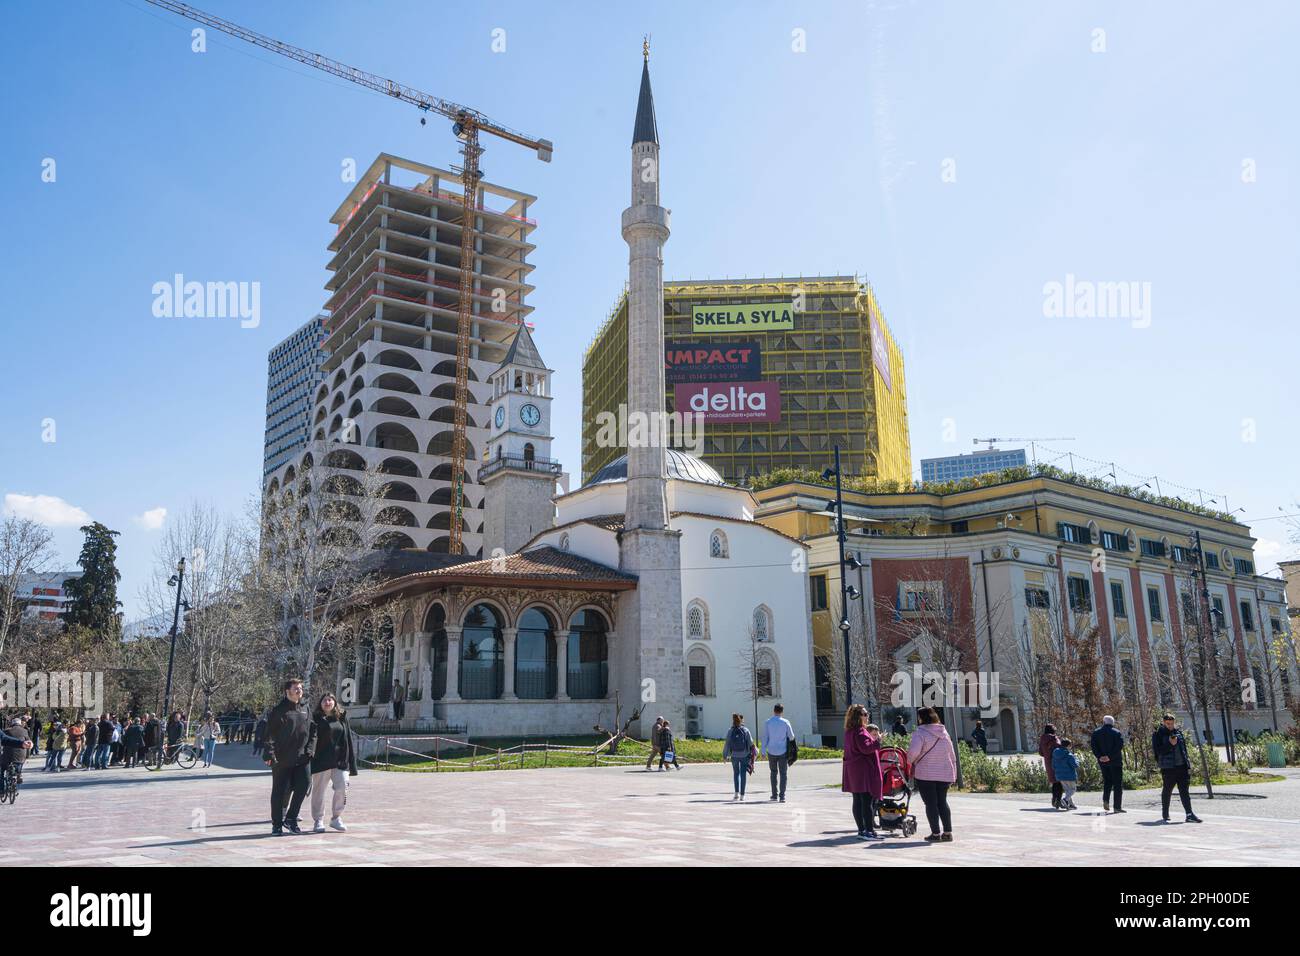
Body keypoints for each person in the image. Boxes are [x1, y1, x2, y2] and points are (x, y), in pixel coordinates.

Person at [264, 677, 317, 836]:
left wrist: (311, 749)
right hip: (282, 758)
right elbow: (269, 734)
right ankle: (277, 824)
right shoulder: (278, 710)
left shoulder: (305, 709)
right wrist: (269, 753)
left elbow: (313, 731)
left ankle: (291, 819)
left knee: (304, 785)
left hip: (302, 757)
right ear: (287, 691)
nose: (299, 691)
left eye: (300, 688)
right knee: (279, 791)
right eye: (296, 688)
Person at [309, 691, 358, 832]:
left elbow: (347, 739)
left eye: (330, 700)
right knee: (319, 792)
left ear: (335, 703)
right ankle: (318, 820)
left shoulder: (341, 718)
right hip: (321, 761)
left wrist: (351, 762)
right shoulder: (316, 718)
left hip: (339, 761)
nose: (328, 702)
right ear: (320, 703)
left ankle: (336, 817)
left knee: (342, 786)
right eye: (325, 700)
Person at [908, 707, 957, 842]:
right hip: (944, 773)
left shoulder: (920, 733)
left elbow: (913, 753)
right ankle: (947, 833)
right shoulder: (944, 732)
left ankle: (935, 834)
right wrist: (954, 773)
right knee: (942, 802)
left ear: (921, 718)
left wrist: (909, 761)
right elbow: (951, 754)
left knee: (931, 804)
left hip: (926, 774)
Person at [842, 704, 883, 840]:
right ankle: (868, 831)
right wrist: (878, 741)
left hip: (854, 770)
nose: (867, 716)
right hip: (863, 770)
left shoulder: (849, 731)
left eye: (867, 714)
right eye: (864, 714)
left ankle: (861, 830)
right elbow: (866, 748)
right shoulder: (859, 731)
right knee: (866, 801)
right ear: (857, 717)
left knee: (858, 800)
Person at [1152, 713, 1202, 824]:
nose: (1170, 725)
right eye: (1168, 723)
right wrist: (1170, 744)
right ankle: (1165, 813)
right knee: (1167, 790)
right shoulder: (1158, 734)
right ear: (1164, 722)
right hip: (1169, 768)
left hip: (1182, 767)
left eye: (1172, 723)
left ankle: (1189, 814)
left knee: (1185, 791)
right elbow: (1158, 751)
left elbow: (1184, 750)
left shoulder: (1178, 733)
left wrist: (1187, 763)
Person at [761, 703, 796, 802]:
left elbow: (765, 737)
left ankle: (774, 795)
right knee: (783, 773)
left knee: (773, 773)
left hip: (771, 751)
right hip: (783, 751)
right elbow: (792, 736)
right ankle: (782, 796)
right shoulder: (785, 722)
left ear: (774, 711)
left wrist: (763, 751)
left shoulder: (768, 722)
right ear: (782, 711)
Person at [1090, 715, 1125, 813]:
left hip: (1102, 762)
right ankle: (1117, 807)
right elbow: (1119, 747)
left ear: (1103, 722)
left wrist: (1100, 756)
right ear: (1112, 723)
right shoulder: (1117, 733)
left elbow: (1093, 746)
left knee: (1107, 781)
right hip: (1115, 761)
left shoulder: (1096, 733)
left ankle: (1106, 800)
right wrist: (1109, 756)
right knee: (1117, 784)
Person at [722, 714, 754, 800]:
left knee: (736, 773)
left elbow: (727, 744)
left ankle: (736, 794)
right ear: (741, 721)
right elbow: (751, 743)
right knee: (743, 774)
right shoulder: (746, 730)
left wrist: (725, 755)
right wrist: (755, 753)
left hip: (734, 755)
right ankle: (742, 795)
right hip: (744, 755)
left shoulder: (730, 731)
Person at [0, 718, 32, 785]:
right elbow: (28, 742)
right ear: (20, 724)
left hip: (7, 755)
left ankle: (2, 789)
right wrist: (27, 754)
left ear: (12, 723)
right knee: (20, 762)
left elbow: (4, 739)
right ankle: (19, 773)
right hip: (21, 754)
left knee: (2, 770)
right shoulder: (24, 731)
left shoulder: (6, 731)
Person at [1038, 723, 1063, 809]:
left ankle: (1054, 798)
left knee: (1054, 781)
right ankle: (1058, 800)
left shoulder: (1042, 739)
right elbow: (1059, 748)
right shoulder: (1054, 738)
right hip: (1057, 761)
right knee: (1059, 781)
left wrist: (1046, 754)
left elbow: (1040, 752)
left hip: (1048, 762)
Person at [1052, 738, 1079, 810]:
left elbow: (1053, 765)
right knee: (1073, 789)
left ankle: (1071, 804)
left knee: (1067, 791)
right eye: (1070, 746)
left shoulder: (1055, 753)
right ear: (1068, 746)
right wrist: (1076, 758)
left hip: (1059, 775)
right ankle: (1064, 800)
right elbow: (1075, 765)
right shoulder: (1069, 755)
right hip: (1069, 775)